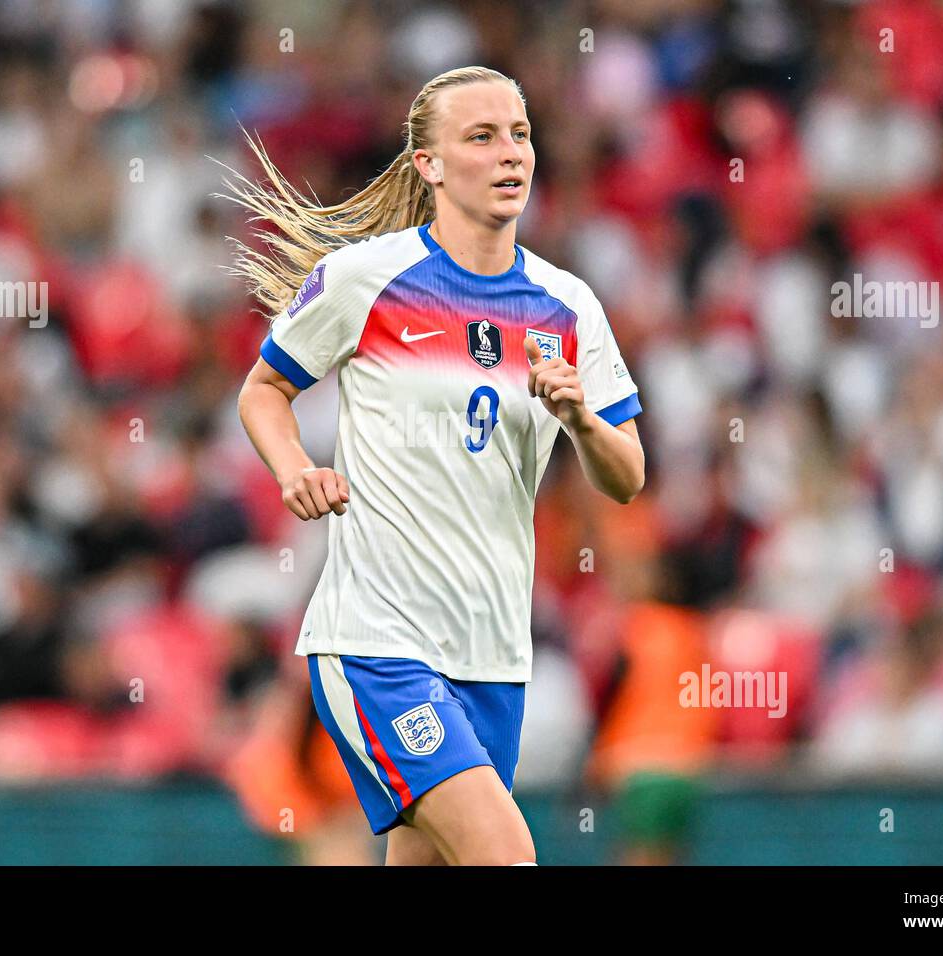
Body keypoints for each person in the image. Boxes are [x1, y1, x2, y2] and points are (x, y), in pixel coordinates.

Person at [229, 66, 645, 865]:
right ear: (429, 164)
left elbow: (626, 476)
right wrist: (293, 469)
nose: (509, 154)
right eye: (481, 137)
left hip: (492, 654)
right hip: (378, 642)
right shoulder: (366, 280)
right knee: (507, 857)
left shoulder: (570, 306)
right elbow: (265, 389)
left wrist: (582, 420)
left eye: (519, 134)